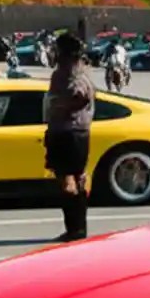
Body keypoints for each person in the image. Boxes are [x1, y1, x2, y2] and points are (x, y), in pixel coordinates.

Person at [43, 33, 95, 242]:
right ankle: (78, 227)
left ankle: (74, 228)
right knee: (78, 177)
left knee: (67, 179)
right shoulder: (81, 71)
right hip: (78, 132)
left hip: (66, 132)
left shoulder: (66, 73)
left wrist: (60, 107)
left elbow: (79, 96)